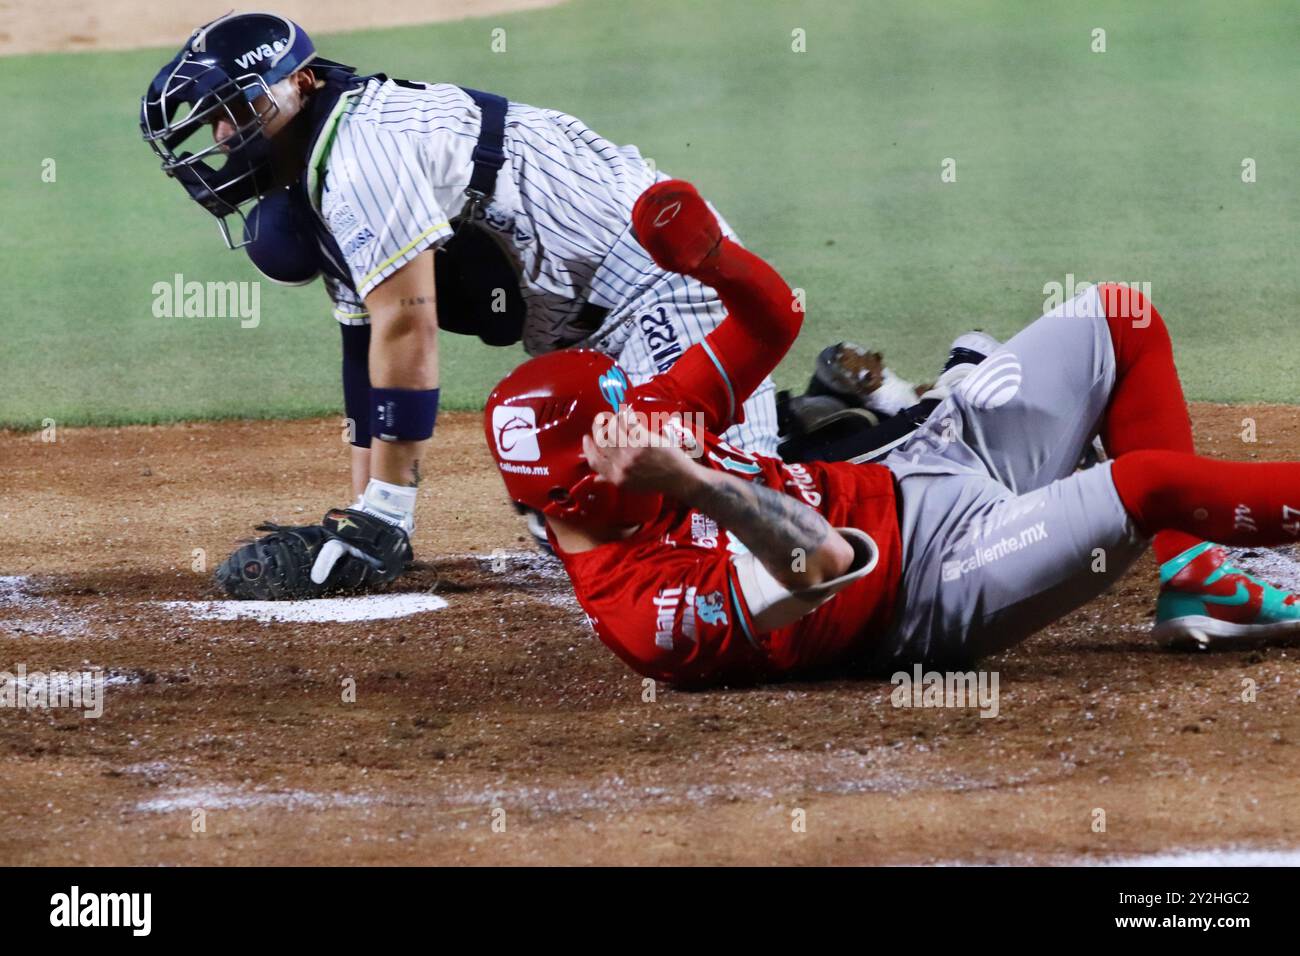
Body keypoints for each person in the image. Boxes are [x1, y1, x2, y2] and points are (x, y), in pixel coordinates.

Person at [483, 178, 1300, 686]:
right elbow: (823, 561)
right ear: (587, 487)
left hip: (918, 465)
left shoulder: (641, 432)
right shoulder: (644, 614)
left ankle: (1198, 576)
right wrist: (692, 482)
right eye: (619, 424)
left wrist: (713, 259)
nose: (645, 417)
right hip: (934, 584)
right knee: (1145, 485)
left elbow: (773, 321)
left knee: (1120, 317)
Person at [139, 11, 778, 596]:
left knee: (723, 558)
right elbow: (365, 348)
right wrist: (368, 514)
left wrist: (388, 511)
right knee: (572, 509)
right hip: (589, 338)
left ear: (301, 82)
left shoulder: (362, 153)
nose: (223, 134)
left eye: (239, 106)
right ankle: (796, 428)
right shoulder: (317, 175)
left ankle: (862, 434)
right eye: (213, 115)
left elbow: (407, 328)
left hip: (663, 291)